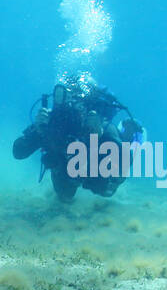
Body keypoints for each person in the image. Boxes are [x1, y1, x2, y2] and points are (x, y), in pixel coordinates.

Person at [13, 79, 144, 202]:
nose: (74, 110)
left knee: (105, 190)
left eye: (79, 104)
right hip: (66, 171)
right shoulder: (51, 123)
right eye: (70, 103)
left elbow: (125, 160)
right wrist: (38, 130)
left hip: (95, 169)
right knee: (65, 196)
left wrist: (99, 135)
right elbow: (18, 152)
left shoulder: (98, 125)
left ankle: (128, 136)